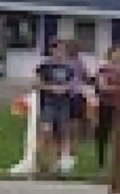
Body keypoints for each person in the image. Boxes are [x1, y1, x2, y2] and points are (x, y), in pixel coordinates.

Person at [35, 38, 86, 174]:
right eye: (57, 49)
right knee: (46, 131)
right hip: (49, 103)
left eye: (62, 50)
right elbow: (36, 83)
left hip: (63, 103)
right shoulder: (44, 66)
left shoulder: (68, 68)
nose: (60, 53)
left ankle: (59, 162)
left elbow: (72, 83)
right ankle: (42, 160)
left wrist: (66, 88)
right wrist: (51, 88)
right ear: (52, 51)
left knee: (63, 132)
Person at [94, 45, 120, 169]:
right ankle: (101, 161)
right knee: (103, 132)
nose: (117, 56)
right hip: (105, 104)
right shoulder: (103, 69)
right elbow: (102, 86)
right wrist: (118, 89)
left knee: (118, 133)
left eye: (119, 54)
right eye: (115, 53)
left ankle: (117, 160)